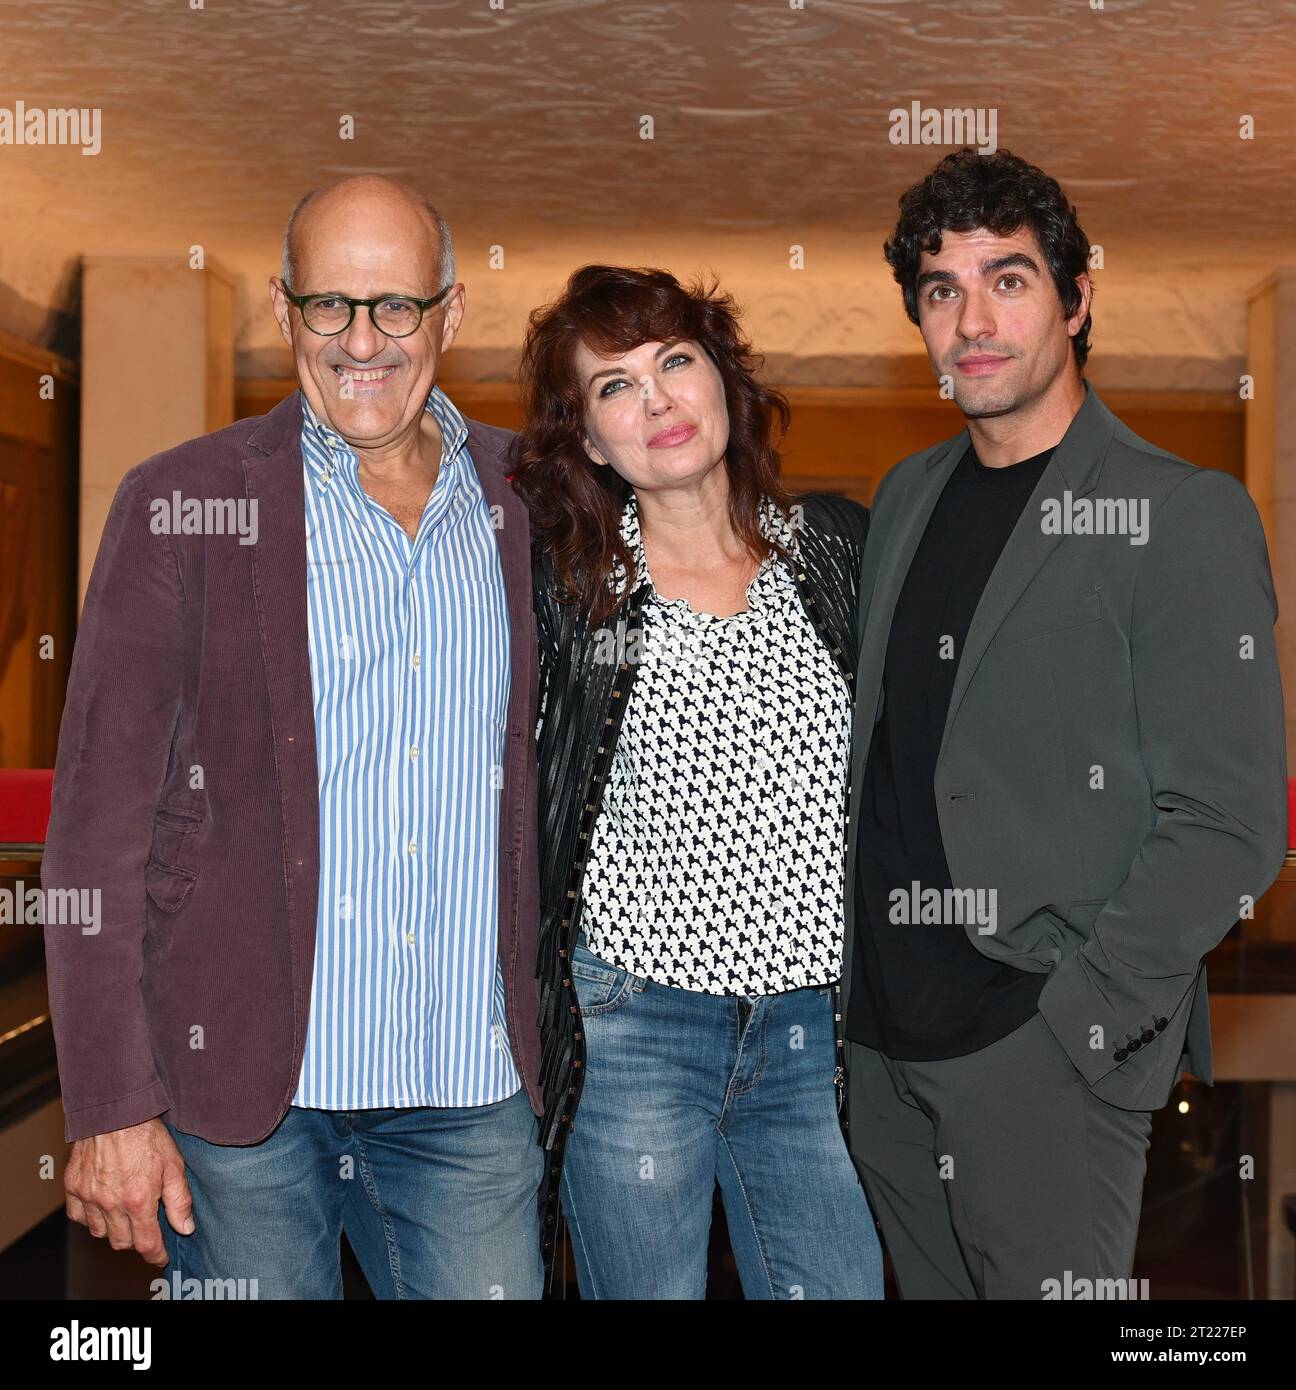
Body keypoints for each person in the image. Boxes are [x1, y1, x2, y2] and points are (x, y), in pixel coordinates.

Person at [41, 175, 545, 1299]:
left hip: (472, 1090)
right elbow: (96, 826)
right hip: (241, 1107)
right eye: (330, 305)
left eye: (396, 306)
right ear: (284, 311)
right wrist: (113, 1102)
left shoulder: (536, 500)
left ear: (450, 313)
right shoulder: (183, 502)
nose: (361, 340)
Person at [842, 148, 1288, 1299]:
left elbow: (1234, 822)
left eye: (1009, 278)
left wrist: (1078, 1026)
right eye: (942, 289)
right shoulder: (905, 495)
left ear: (1078, 298)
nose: (972, 319)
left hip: (1034, 1051)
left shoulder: (1183, 515)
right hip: (882, 1054)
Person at [511, 264, 884, 1299]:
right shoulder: (568, 588)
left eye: (676, 359)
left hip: (816, 1032)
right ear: (588, 438)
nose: (659, 399)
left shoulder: (840, 549)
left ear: (724, 378)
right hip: (634, 1027)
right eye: (615, 386)